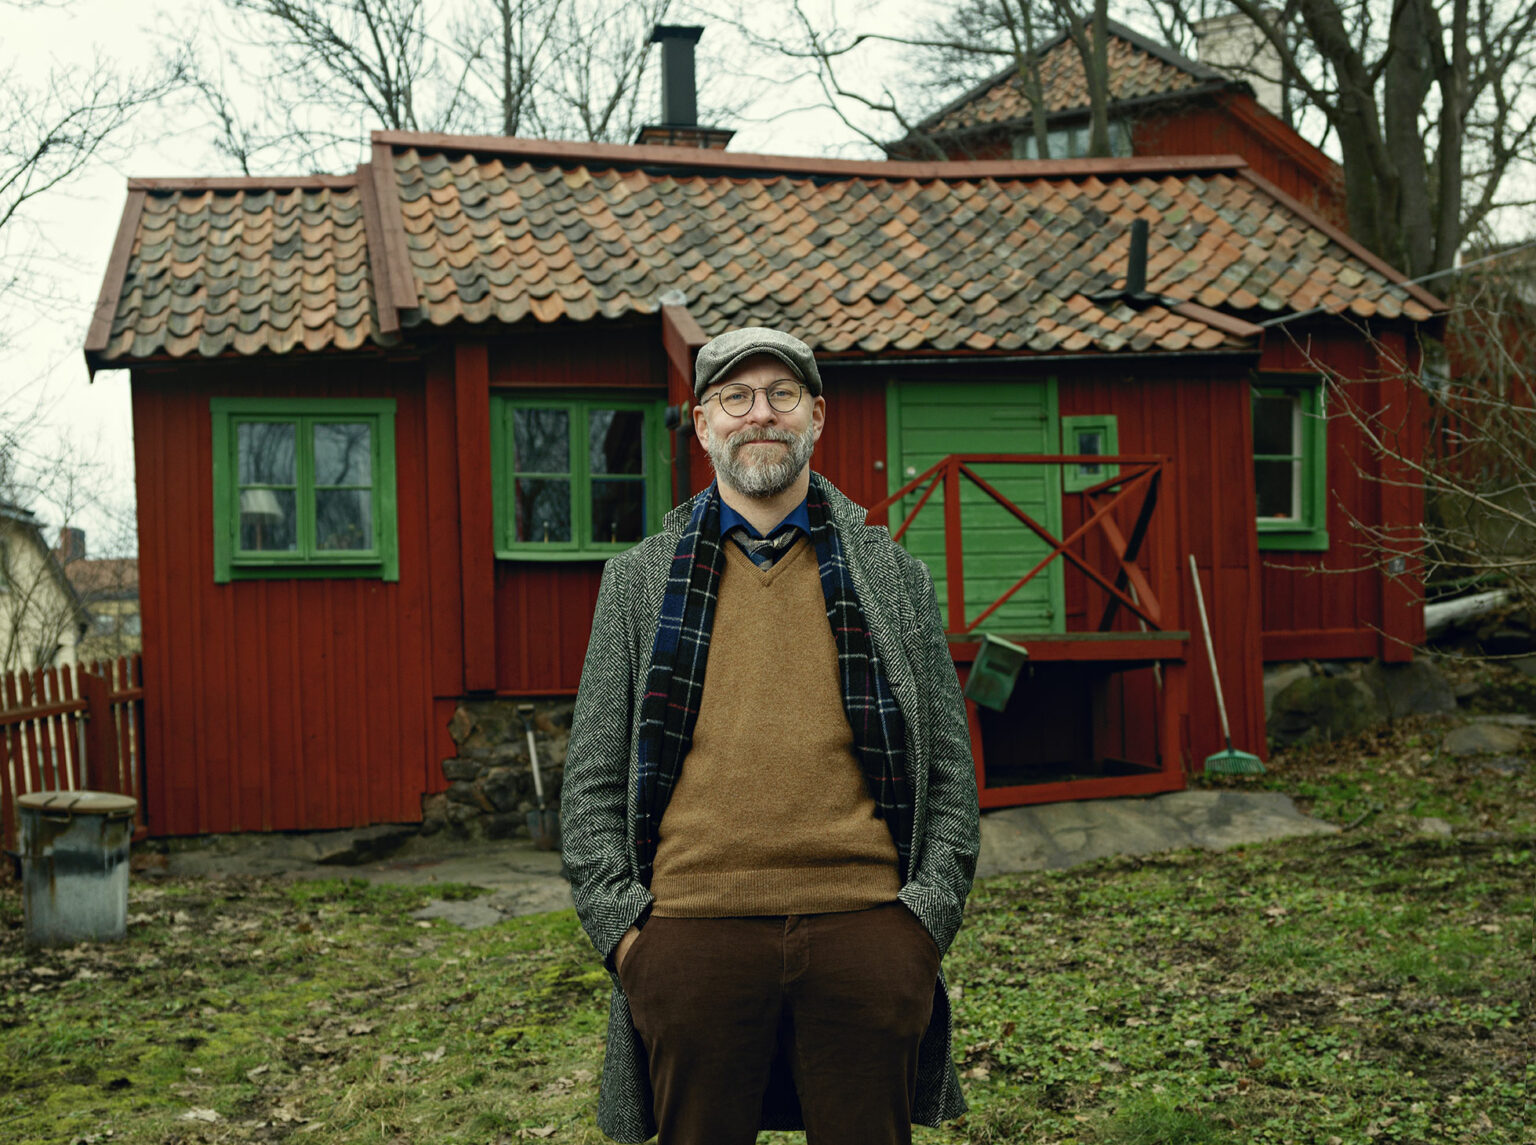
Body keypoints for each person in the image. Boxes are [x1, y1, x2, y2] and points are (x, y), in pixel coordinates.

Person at [560, 326, 980, 1145]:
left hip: (868, 930)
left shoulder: (891, 575)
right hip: (690, 938)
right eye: (736, 397)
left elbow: (952, 776)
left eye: (782, 396)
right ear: (703, 421)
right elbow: (592, 783)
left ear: (816, 416)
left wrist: (923, 924)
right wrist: (629, 943)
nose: (761, 415)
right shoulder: (640, 579)